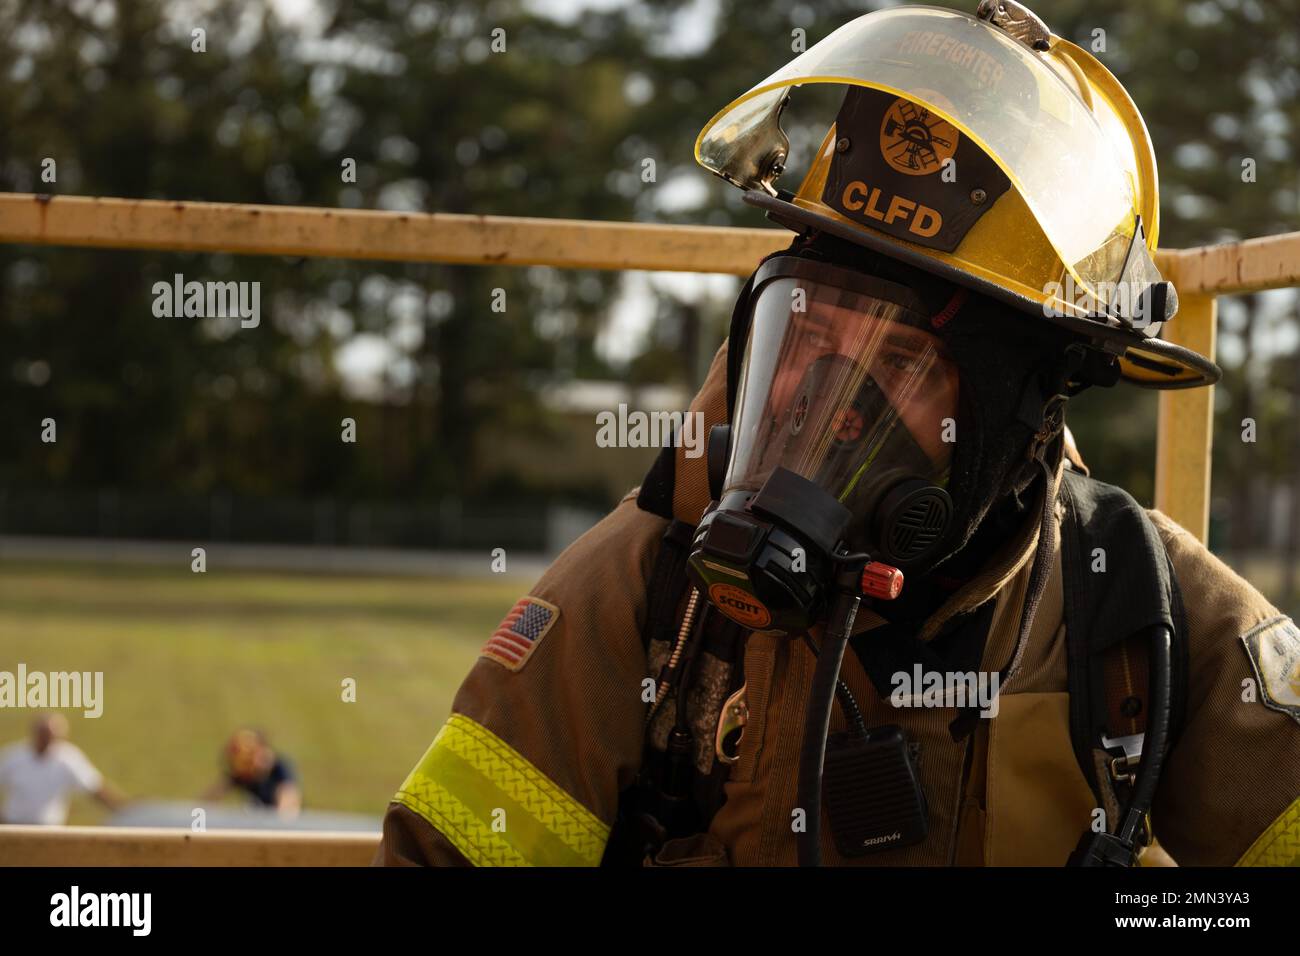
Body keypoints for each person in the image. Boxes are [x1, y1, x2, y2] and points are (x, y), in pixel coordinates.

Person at [377, 0, 1300, 867]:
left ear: (1026, 405)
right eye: (807, 336)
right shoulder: (657, 588)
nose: (828, 405)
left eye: (899, 363)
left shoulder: (1140, 603)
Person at [0, 714, 125, 825]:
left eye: (52, 738)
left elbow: (94, 787)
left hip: (49, 830)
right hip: (14, 825)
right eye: (44, 736)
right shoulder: (13, 756)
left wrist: (123, 810)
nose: (48, 742)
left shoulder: (68, 758)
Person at [201, 729, 301, 819]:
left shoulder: (280, 769)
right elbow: (209, 800)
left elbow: (288, 801)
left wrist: (281, 821)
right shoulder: (246, 774)